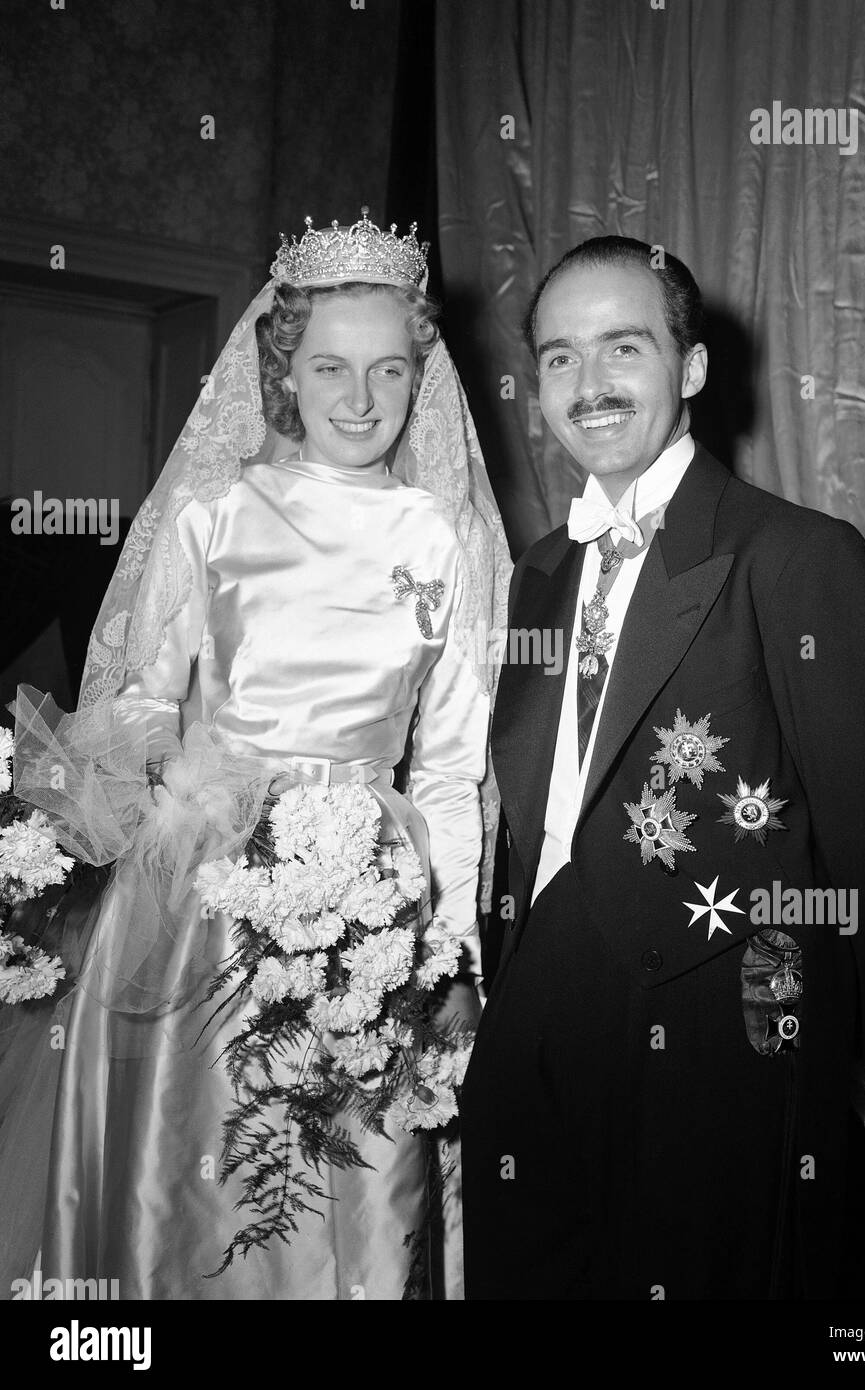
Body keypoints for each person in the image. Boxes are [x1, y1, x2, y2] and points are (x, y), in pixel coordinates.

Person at [0, 212, 510, 1300]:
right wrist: (163, 779)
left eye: (387, 368)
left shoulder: (444, 537)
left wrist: (448, 946)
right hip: (201, 894)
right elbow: (139, 697)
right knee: (187, 1175)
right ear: (285, 369)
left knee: (350, 1181)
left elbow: (451, 769)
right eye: (330, 365)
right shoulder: (215, 512)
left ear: (422, 374)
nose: (359, 399)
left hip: (371, 894)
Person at [459, 235, 865, 1300]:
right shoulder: (538, 573)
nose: (587, 385)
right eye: (556, 357)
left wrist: (852, 1049)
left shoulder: (796, 556)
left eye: (621, 347)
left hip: (729, 1036)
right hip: (537, 1016)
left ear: (689, 368)